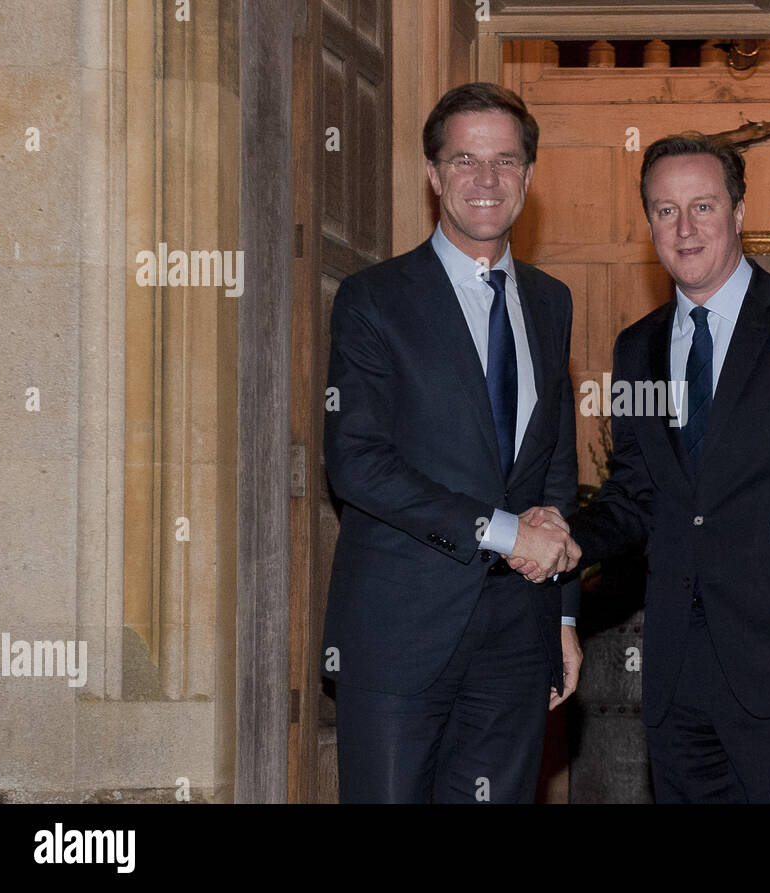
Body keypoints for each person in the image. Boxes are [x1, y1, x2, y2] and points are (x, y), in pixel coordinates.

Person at [518, 133, 770, 803]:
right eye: (665, 210)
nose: (684, 227)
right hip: (682, 686)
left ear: (738, 211)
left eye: (702, 206)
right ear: (649, 222)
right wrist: (571, 536)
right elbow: (636, 495)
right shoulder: (637, 348)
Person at [320, 82, 582, 803]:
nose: (486, 179)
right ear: (433, 174)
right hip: (401, 635)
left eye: (505, 160)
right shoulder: (374, 299)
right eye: (465, 159)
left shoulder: (551, 300)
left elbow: (554, 464)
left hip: (518, 639)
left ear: (528, 175)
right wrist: (504, 533)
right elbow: (357, 461)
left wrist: (561, 613)